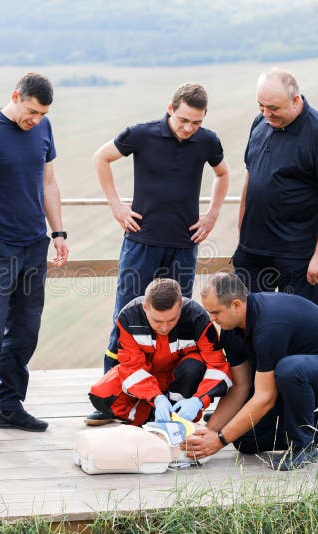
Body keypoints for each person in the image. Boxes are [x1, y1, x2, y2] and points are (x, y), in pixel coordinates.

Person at [87, 83, 230, 425]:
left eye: (195, 122)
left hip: (184, 244)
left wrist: (211, 214)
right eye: (183, 120)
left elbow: (223, 174)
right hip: (141, 241)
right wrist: (115, 204)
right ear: (170, 108)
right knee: (126, 314)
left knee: (176, 321)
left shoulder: (208, 141)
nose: (188, 128)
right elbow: (100, 158)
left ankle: (169, 398)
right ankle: (113, 396)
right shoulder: (141, 134)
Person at [0, 73, 69, 445]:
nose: (35, 119)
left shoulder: (44, 127)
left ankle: (10, 406)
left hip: (35, 245)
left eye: (42, 114)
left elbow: (48, 182)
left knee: (25, 330)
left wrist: (59, 232)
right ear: (16, 96)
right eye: (31, 111)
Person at [185, 272, 318, 470]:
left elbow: (265, 397)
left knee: (289, 370)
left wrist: (219, 441)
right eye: (209, 312)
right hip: (293, 380)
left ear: (236, 304)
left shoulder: (269, 325)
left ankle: (304, 447)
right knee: (245, 440)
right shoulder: (230, 328)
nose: (212, 319)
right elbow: (240, 388)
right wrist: (209, 434)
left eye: (215, 312)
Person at [235, 67, 318, 307]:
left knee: (297, 330)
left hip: (297, 256)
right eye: (261, 106)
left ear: (296, 100)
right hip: (253, 250)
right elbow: (250, 177)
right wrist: (241, 232)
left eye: (274, 108)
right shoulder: (260, 123)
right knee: (245, 325)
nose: (266, 114)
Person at [89, 278, 232, 426]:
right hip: (147, 377)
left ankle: (178, 417)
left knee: (193, 366)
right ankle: (153, 418)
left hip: (181, 378)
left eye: (171, 320)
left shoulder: (198, 318)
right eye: (157, 321)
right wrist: (156, 397)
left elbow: (218, 366)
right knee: (102, 396)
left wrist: (199, 400)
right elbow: (131, 368)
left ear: (180, 306)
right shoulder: (128, 318)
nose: (164, 328)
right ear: (145, 307)